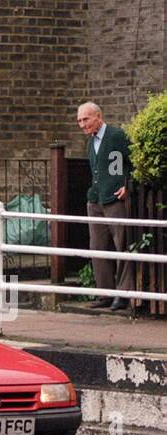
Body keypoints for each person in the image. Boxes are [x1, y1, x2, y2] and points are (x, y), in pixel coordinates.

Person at [77, 101, 134, 310]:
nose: (82, 124)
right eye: (79, 121)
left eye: (86, 119)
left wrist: (127, 185)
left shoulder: (116, 136)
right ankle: (105, 293)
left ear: (98, 117)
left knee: (121, 246)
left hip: (115, 199)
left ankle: (123, 294)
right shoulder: (90, 142)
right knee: (98, 248)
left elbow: (131, 162)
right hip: (96, 200)